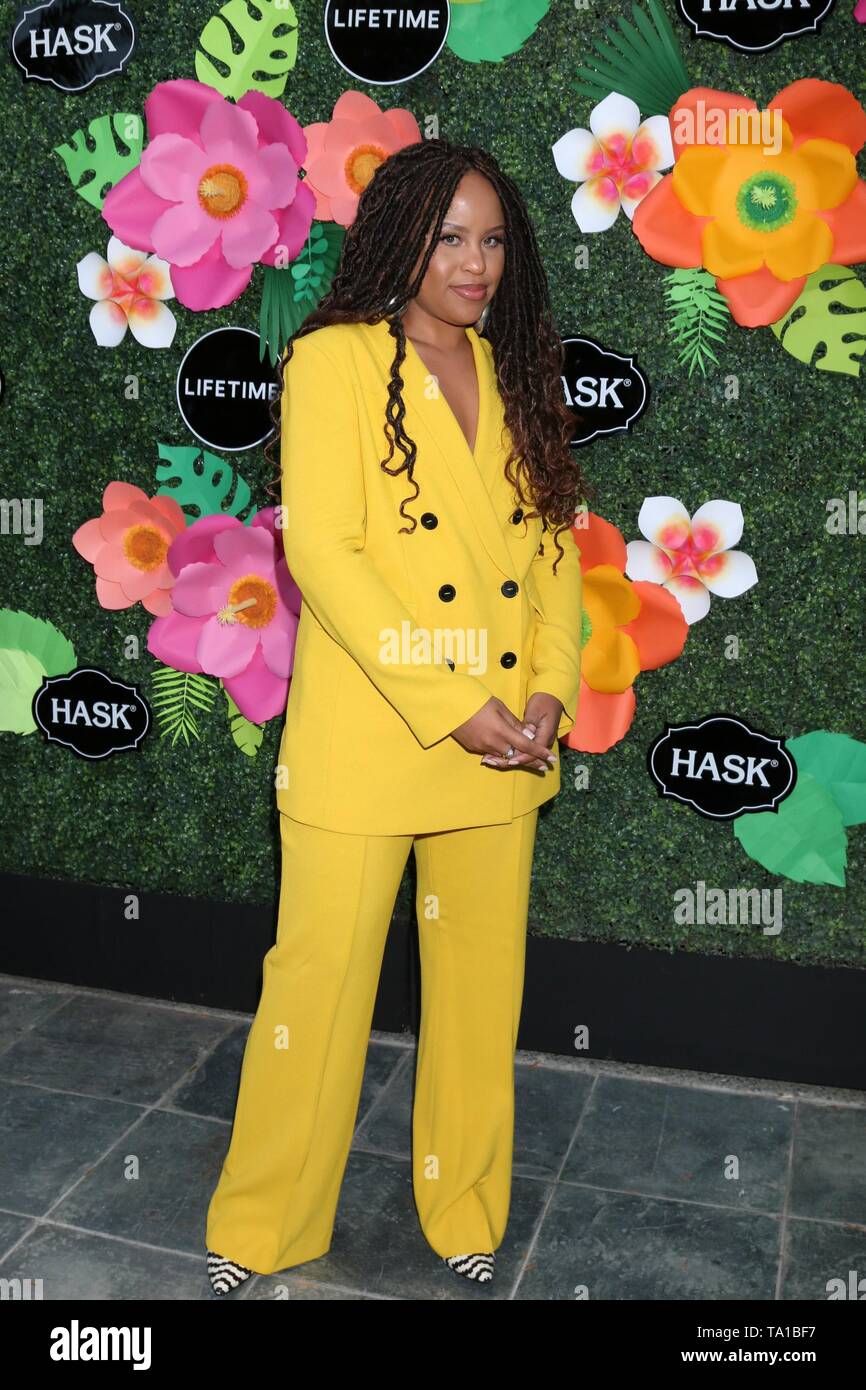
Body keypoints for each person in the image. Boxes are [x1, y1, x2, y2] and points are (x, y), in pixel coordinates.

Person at [205, 138, 593, 1295]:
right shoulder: (331, 361)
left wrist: (543, 695)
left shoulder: (517, 369)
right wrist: (453, 701)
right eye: (448, 237)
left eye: (491, 241)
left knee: (480, 994)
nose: (474, 264)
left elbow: (556, 557)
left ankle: (464, 1203)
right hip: (375, 732)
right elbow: (325, 551)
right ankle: (261, 1224)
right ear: (398, 240)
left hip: (502, 740)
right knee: (314, 987)